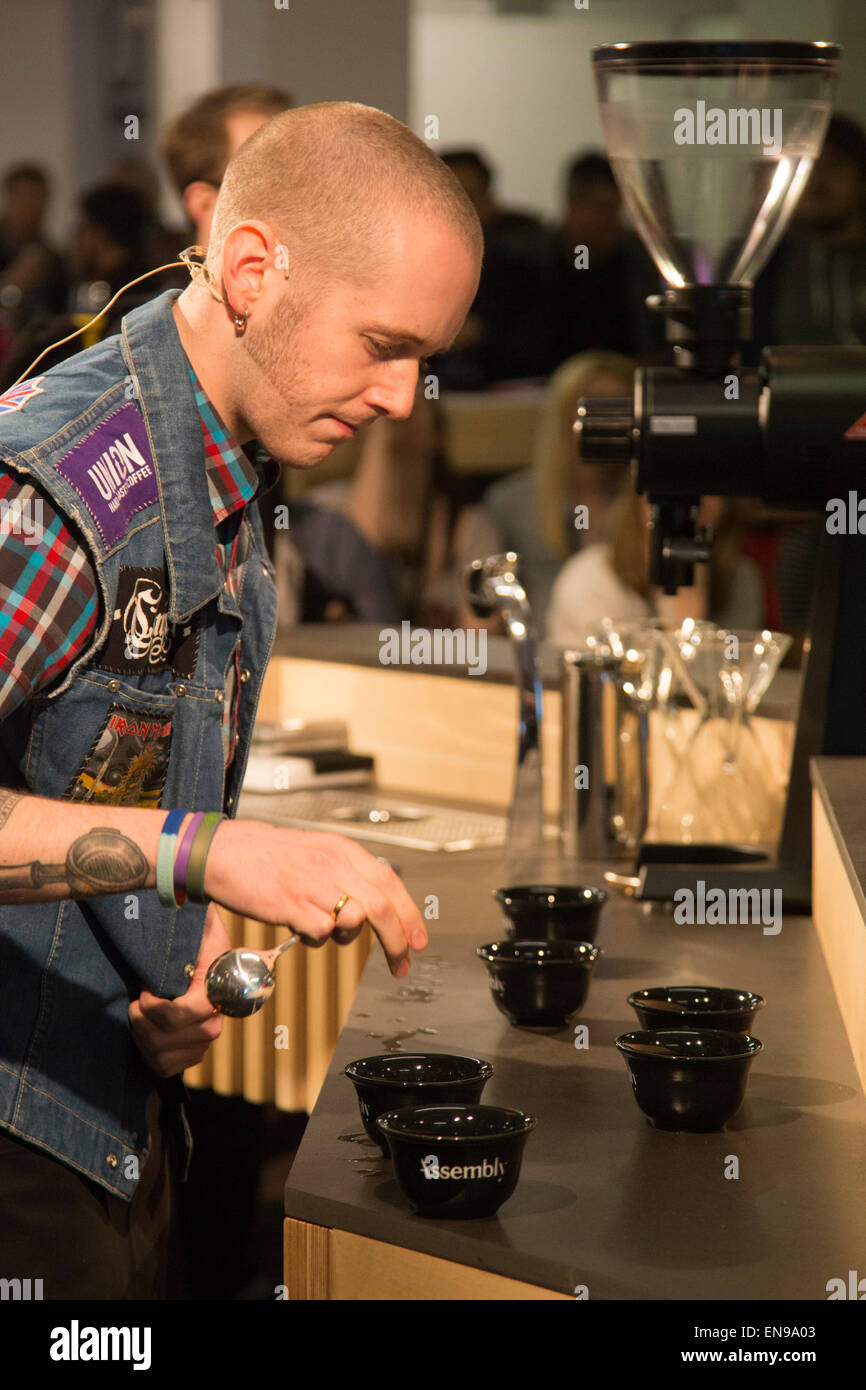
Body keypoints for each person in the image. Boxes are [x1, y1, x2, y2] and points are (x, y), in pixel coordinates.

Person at [0, 100, 481, 1298]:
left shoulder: (229, 455)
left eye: (428, 357)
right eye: (383, 344)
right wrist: (205, 854)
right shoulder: (62, 493)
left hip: (104, 1109)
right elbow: (176, 832)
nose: (404, 398)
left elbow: (93, 769)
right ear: (255, 269)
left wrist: (167, 946)